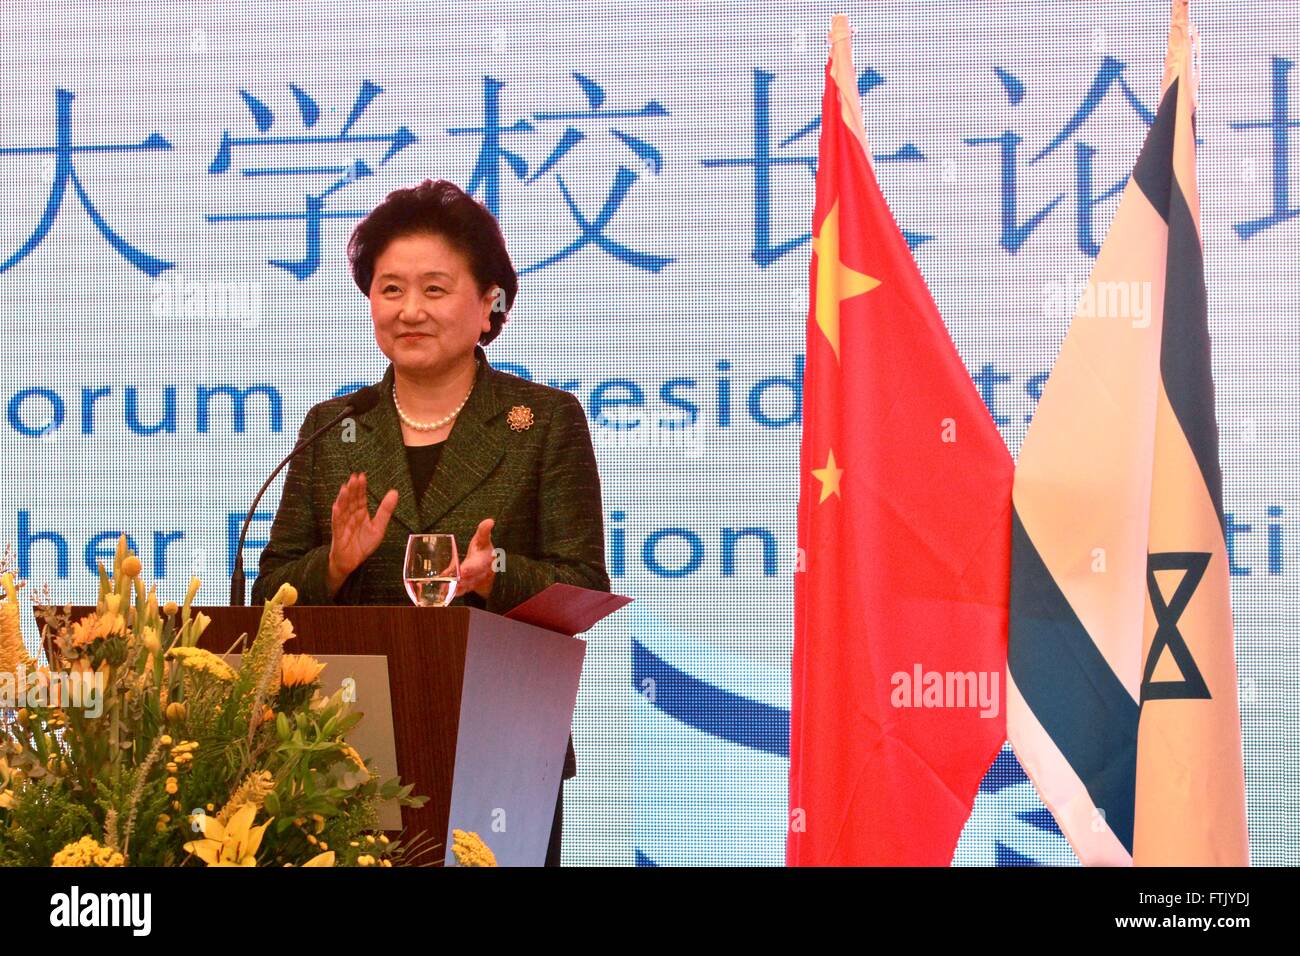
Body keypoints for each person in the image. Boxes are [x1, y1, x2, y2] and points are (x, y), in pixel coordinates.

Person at [250, 178, 610, 866]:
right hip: (341, 746)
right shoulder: (334, 427)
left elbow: (582, 584)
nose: (409, 310)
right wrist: (333, 565)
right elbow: (270, 595)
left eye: (435, 289)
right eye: (390, 290)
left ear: (489, 305)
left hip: (501, 748)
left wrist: (493, 574)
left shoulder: (542, 422)